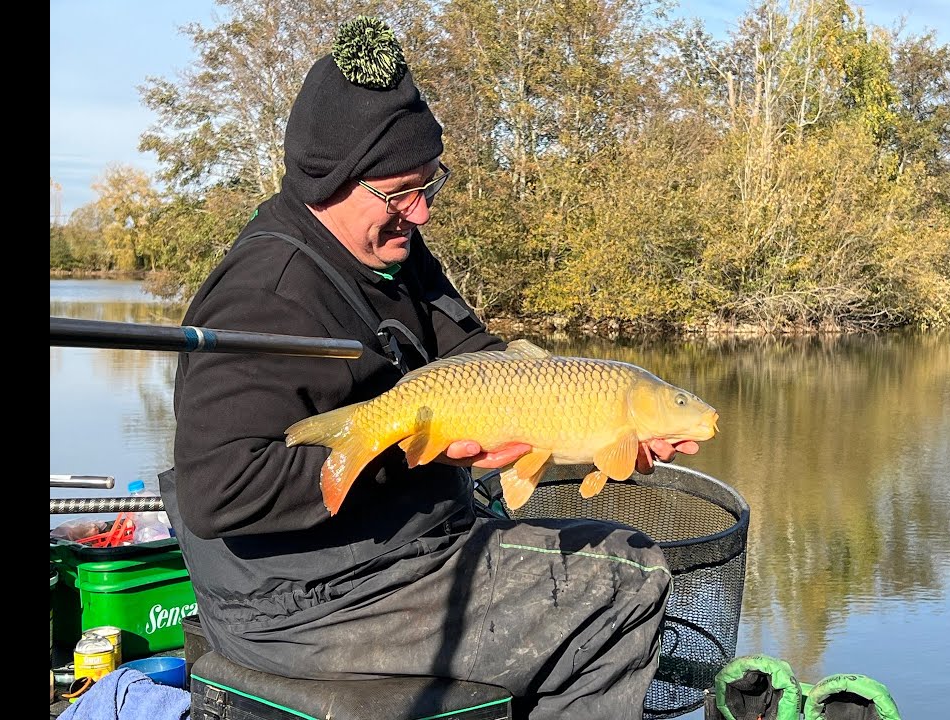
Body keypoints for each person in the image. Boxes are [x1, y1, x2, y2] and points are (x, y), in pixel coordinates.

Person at [165, 16, 698, 720]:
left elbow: (474, 358)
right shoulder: (268, 292)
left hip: (397, 552)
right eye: (398, 194)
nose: (418, 214)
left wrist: (597, 424)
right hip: (302, 601)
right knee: (627, 578)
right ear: (330, 179)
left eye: (428, 186)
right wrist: (412, 449)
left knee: (605, 554)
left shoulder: (391, 250)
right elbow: (216, 491)